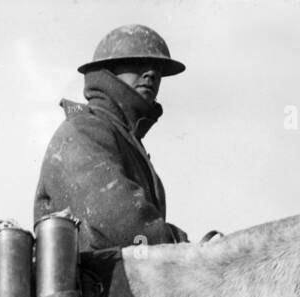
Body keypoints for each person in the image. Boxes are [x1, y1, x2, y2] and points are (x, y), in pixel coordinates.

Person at [33, 24, 187, 250]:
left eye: (158, 68)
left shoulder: (121, 137)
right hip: (88, 283)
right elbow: (121, 222)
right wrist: (178, 242)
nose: (151, 73)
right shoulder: (84, 129)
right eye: (137, 63)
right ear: (109, 71)